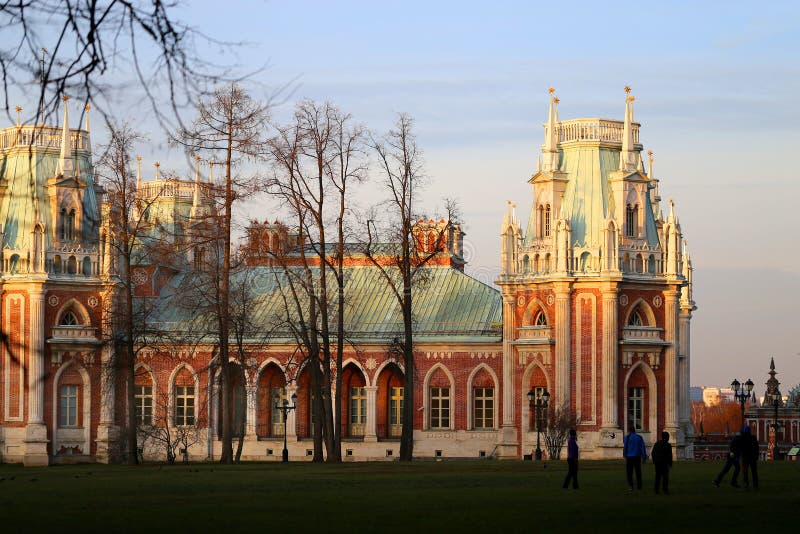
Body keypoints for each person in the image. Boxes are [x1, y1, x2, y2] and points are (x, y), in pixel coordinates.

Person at [623, 424, 647, 491]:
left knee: (629, 473)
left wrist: (624, 454)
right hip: (637, 456)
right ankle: (639, 486)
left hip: (629, 457)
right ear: (634, 430)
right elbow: (643, 447)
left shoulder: (627, 437)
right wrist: (644, 456)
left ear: (629, 431)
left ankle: (630, 486)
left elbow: (625, 447)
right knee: (638, 472)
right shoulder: (639, 437)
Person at [741, 425, 759, 489]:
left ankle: (746, 483)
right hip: (753, 457)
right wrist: (756, 456)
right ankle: (755, 484)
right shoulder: (753, 438)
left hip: (745, 457)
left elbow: (741, 448)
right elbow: (757, 448)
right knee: (754, 471)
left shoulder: (742, 438)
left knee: (745, 471)